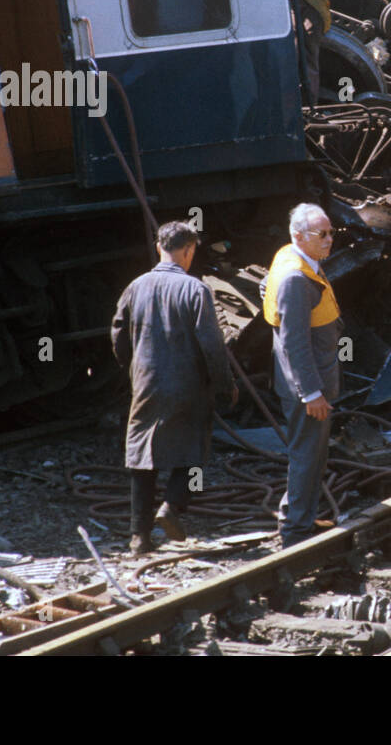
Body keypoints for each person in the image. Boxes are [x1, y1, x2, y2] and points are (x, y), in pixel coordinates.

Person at [112, 221, 237, 555]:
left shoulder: (134, 287)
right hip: (188, 384)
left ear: (159, 248)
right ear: (188, 250)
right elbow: (212, 346)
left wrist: (132, 367)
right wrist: (225, 385)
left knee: (142, 454)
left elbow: (118, 335)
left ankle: (139, 537)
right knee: (193, 446)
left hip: (146, 382)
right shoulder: (196, 290)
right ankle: (173, 506)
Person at [261, 202, 342, 546]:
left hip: (309, 380)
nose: (329, 240)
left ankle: (298, 516)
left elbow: (267, 288)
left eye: (330, 232)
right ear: (298, 236)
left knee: (311, 453)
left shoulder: (291, 259)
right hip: (307, 386)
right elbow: (295, 341)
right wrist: (311, 392)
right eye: (320, 234)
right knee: (307, 454)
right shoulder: (295, 278)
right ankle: (295, 531)